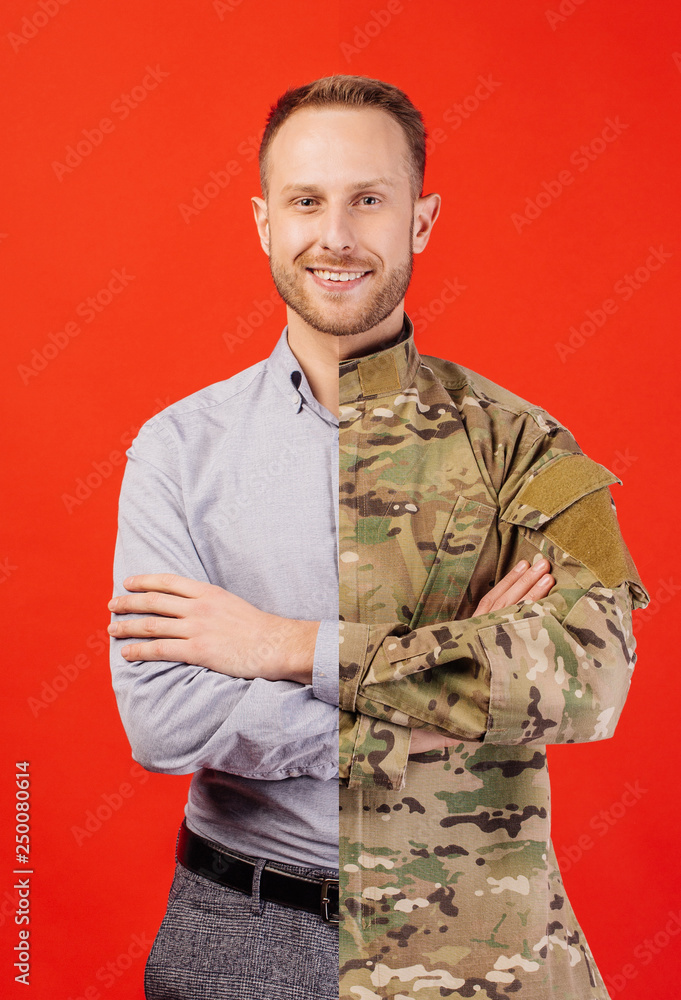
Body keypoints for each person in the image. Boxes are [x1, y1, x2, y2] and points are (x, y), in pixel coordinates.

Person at [108, 74, 648, 1000]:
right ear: (262, 221)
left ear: (421, 221)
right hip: (241, 939)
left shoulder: (524, 446)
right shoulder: (176, 450)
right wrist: (460, 694)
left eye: (369, 199)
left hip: (481, 939)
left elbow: (591, 680)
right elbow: (160, 718)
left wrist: (283, 647)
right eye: (306, 201)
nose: (336, 235)